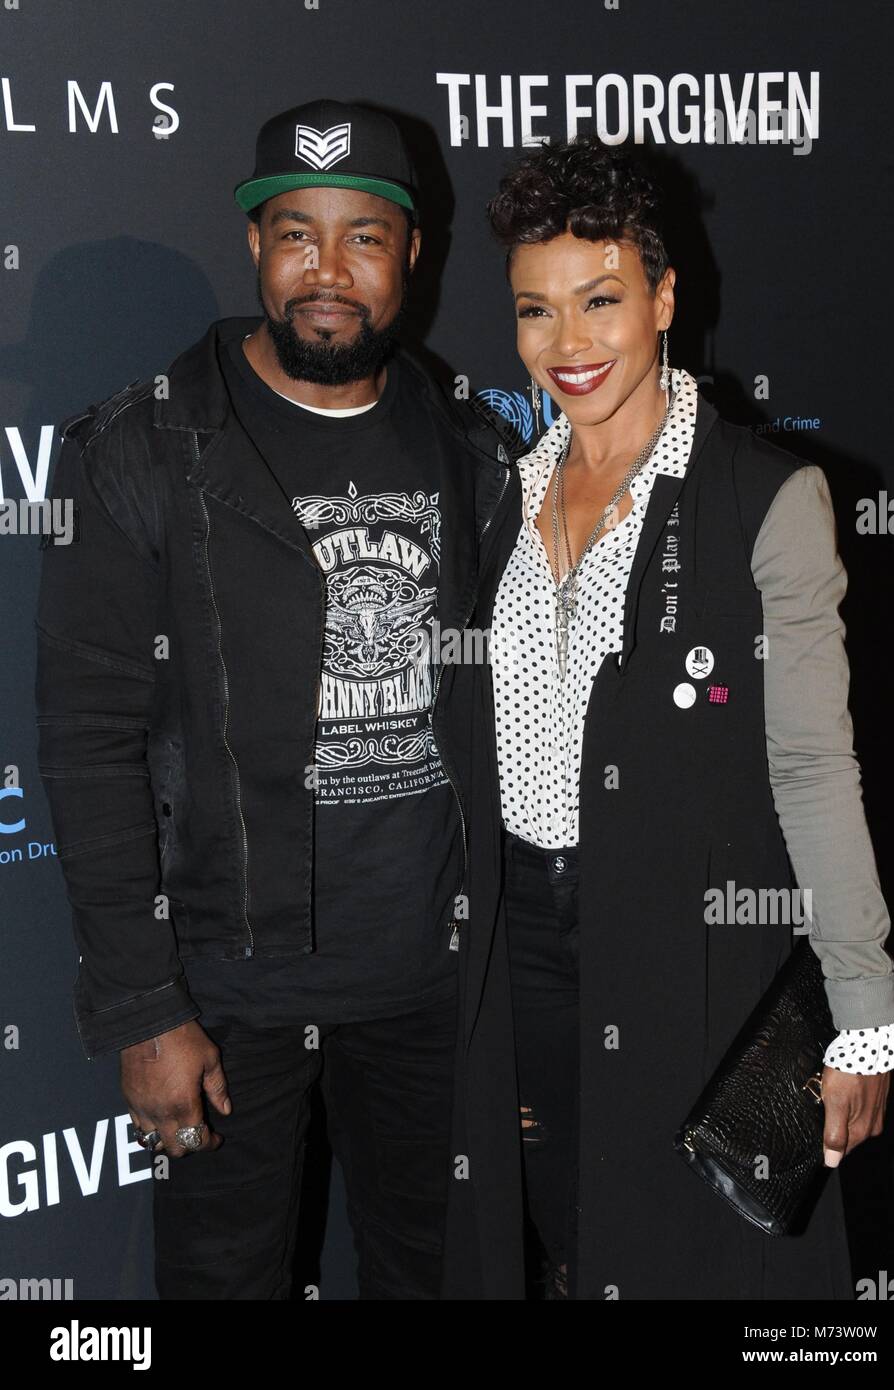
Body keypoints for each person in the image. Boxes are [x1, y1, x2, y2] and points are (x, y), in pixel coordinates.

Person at [33, 98, 514, 1300]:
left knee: (444, 1276)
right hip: (227, 994)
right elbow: (88, 746)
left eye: (364, 238)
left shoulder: (471, 450)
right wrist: (145, 1010)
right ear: (255, 247)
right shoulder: (144, 451)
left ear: (412, 256)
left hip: (430, 982)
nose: (328, 272)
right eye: (296, 234)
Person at [442, 135, 894, 1301]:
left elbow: (814, 766)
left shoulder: (769, 498)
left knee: (702, 1261)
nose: (568, 345)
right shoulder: (502, 494)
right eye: (536, 312)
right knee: (560, 1244)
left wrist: (862, 1008)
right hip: (527, 956)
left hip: (700, 953)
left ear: (662, 297)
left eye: (600, 301)